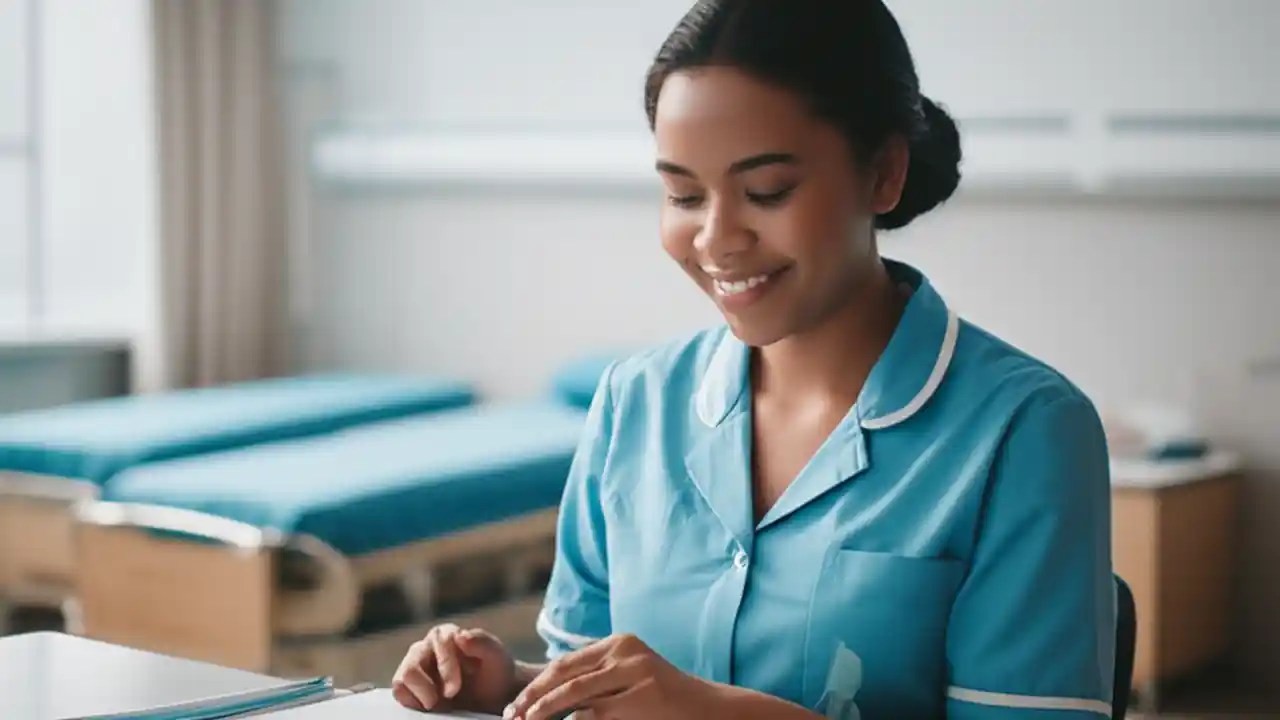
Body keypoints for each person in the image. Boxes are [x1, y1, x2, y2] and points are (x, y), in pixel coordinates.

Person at [393, 1, 1115, 718]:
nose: (715, 239)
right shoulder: (632, 403)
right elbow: (591, 686)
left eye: (766, 191)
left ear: (884, 173)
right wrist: (509, 686)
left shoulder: (1025, 432)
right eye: (682, 194)